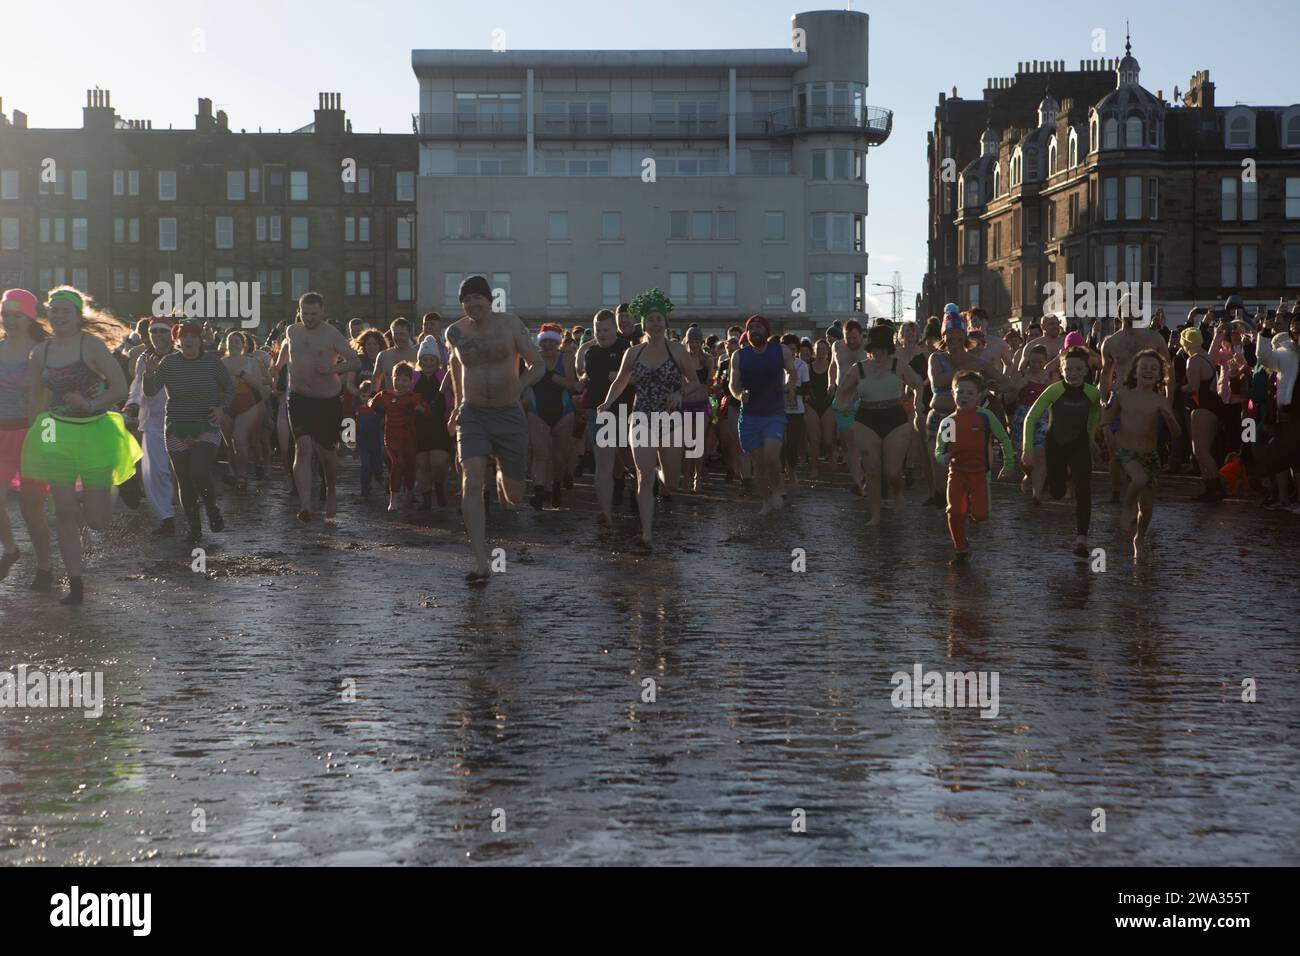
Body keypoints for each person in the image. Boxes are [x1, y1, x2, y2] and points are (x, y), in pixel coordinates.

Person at [20, 286, 141, 605]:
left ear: (77, 316)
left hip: (94, 432)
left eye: (66, 311)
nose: (59, 315)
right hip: (56, 433)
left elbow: (120, 388)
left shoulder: (91, 345)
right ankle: (75, 583)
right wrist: (34, 431)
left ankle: (112, 488)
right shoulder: (40, 352)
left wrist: (90, 403)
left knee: (97, 520)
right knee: (63, 512)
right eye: (54, 310)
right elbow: (36, 396)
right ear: (47, 314)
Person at [445, 275, 545, 581]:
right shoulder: (455, 332)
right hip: (473, 414)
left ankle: (503, 474)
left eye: (477, 297)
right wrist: (457, 406)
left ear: (489, 299)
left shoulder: (510, 324)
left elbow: (538, 364)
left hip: (508, 414)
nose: (472, 304)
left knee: (514, 496)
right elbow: (455, 366)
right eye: (466, 299)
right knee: (472, 480)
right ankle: (480, 561)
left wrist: (521, 385)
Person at [600, 289, 696, 547]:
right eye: (650, 319)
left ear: (665, 323)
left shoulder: (677, 350)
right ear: (643, 324)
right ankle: (646, 534)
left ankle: (660, 474)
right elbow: (620, 382)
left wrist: (679, 392)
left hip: (670, 421)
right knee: (643, 477)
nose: (655, 323)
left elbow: (695, 382)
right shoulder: (633, 353)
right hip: (641, 417)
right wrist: (607, 404)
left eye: (659, 319)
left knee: (672, 483)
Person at [143, 320, 235, 545]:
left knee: (199, 473)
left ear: (200, 340)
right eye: (184, 336)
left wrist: (221, 408)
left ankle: (212, 509)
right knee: (184, 481)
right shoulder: (168, 362)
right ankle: (194, 530)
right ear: (177, 340)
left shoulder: (212, 362)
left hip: (206, 426)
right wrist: (149, 372)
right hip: (176, 427)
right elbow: (151, 391)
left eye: (193, 336)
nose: (188, 340)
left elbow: (230, 387)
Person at [276, 292, 362, 522]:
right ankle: (305, 505)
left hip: (326, 401)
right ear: (299, 311)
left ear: (322, 312)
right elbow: (286, 358)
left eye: (314, 314)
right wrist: (277, 371)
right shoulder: (292, 331)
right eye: (305, 313)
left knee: (327, 454)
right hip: (298, 398)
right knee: (303, 448)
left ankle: (331, 490)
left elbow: (355, 361)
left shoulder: (332, 334)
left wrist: (333, 369)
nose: (309, 318)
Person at [835, 324, 925, 525]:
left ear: (888, 349)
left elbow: (918, 382)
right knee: (872, 470)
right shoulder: (859, 368)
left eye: (883, 349)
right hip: (866, 418)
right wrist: (843, 405)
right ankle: (875, 514)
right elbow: (842, 392)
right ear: (870, 349)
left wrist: (918, 402)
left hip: (895, 417)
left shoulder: (898, 365)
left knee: (892, 471)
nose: (879, 354)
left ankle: (898, 491)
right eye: (875, 349)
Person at [1021, 346, 1102, 558]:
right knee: (1057, 492)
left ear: (1086, 371)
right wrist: (1027, 449)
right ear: (1061, 369)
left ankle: (1081, 538)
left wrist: (1091, 437)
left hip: (1080, 445)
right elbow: (1031, 418)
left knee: (1084, 489)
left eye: (1078, 369)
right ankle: (1061, 479)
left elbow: (1095, 413)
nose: (1073, 373)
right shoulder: (1054, 390)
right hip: (1055, 445)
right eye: (1068, 369)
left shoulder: (1093, 393)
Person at [1104, 349, 1180, 560]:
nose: (1148, 371)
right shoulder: (1123, 395)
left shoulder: (1160, 400)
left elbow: (1176, 433)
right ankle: (1127, 507)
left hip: (1150, 456)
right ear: (1135, 372)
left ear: (1160, 375)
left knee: (1146, 507)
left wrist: (1169, 419)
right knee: (1139, 478)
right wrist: (1106, 433)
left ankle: (1139, 537)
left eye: (1153, 368)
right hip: (1127, 452)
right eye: (1143, 367)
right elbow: (1107, 419)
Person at [0, 289, 53, 587]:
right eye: (5, 315)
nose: (9, 321)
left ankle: (45, 567)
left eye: (16, 316)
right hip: (0, 434)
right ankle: (10, 549)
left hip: (32, 435)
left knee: (31, 509)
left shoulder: (43, 351)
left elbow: (51, 394)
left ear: (30, 318)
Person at [935, 370, 1015, 565]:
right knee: (954, 512)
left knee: (981, 515)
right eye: (960, 392)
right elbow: (939, 449)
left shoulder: (985, 417)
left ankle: (970, 517)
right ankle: (960, 549)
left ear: (980, 395)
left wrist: (1008, 463)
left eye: (970, 393)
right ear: (953, 393)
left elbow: (1004, 439)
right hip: (956, 473)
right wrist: (943, 457)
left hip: (980, 474)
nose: (964, 396)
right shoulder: (949, 422)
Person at [729, 314, 796, 516]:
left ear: (767, 331)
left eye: (759, 327)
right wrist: (739, 395)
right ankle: (766, 501)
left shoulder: (780, 351)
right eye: (751, 328)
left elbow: (792, 372)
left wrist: (789, 386)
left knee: (771, 457)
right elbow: (733, 384)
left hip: (773, 413)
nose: (754, 331)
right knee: (758, 463)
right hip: (749, 416)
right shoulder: (739, 356)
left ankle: (777, 489)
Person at [578, 309, 633, 525]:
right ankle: (606, 512)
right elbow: (612, 377)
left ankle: (638, 491)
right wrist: (624, 376)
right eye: (598, 330)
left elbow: (630, 376)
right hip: (601, 413)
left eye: (606, 330)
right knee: (604, 465)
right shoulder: (592, 353)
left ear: (615, 329)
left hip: (627, 411)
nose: (601, 334)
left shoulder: (627, 348)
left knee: (629, 461)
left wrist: (622, 376)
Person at [125, 316, 178, 535]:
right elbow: (137, 387)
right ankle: (167, 517)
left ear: (171, 335)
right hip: (153, 422)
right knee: (156, 471)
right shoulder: (144, 358)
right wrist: (132, 405)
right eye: (154, 331)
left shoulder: (180, 357)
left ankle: (187, 508)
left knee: (180, 470)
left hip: (180, 420)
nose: (158, 335)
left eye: (162, 331)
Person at [525, 323, 579, 510]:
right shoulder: (533, 358)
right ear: (540, 342)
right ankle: (539, 493)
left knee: (560, 457)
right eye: (544, 341)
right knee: (540, 454)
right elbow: (525, 382)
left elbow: (572, 385)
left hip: (563, 412)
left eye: (551, 341)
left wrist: (550, 376)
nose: (547, 345)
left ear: (558, 343)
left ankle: (556, 486)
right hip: (537, 411)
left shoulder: (566, 359)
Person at [368, 360, 430, 512]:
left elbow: (428, 412)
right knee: (397, 463)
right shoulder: (385, 395)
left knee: (409, 466)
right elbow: (371, 403)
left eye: (404, 380)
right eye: (397, 379)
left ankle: (409, 493)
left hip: (409, 438)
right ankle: (393, 500)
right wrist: (375, 406)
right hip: (391, 438)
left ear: (410, 382)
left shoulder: (414, 397)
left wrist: (419, 409)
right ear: (392, 379)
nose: (400, 383)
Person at [220, 330, 271, 492]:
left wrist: (243, 375)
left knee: (239, 438)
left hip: (247, 403)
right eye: (230, 341)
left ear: (243, 345)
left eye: (237, 342)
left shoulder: (252, 362)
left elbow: (261, 386)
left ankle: (243, 476)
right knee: (229, 444)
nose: (233, 344)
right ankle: (233, 474)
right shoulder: (220, 363)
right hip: (226, 405)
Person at [1181, 325, 1226, 502]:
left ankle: (1215, 488)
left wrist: (1178, 388)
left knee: (1201, 451)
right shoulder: (1206, 357)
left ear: (1186, 343)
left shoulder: (1193, 360)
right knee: (1202, 450)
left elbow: (1193, 386)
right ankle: (1211, 487)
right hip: (1212, 406)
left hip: (1202, 408)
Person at [412, 337, 453, 508]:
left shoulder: (445, 376)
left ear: (437, 361)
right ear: (420, 361)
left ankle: (439, 486)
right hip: (418, 427)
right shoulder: (413, 377)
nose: (428, 363)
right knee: (422, 464)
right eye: (425, 360)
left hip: (440, 426)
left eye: (431, 360)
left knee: (438, 463)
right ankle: (427, 500)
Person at [681, 325, 715, 494]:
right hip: (686, 404)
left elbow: (710, 381)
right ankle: (687, 476)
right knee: (688, 443)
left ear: (701, 343)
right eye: (691, 342)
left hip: (701, 403)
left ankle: (697, 477)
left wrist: (706, 384)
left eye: (697, 342)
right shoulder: (682, 359)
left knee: (698, 442)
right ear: (686, 342)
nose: (694, 345)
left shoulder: (707, 359)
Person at [779, 332, 810, 487]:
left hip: (796, 410)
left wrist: (792, 390)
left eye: (792, 349)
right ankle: (780, 473)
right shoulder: (776, 365)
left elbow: (806, 389)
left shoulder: (802, 365)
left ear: (797, 350)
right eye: (786, 349)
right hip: (778, 409)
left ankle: (791, 471)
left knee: (792, 443)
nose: (790, 352)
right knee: (780, 443)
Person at [354, 378, 384, 499]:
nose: (366, 398)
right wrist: (353, 447)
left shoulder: (379, 410)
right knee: (365, 465)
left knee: (377, 465)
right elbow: (353, 429)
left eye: (369, 396)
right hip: (363, 442)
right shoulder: (357, 411)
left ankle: (379, 480)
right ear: (360, 396)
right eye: (364, 396)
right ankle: (365, 490)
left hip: (377, 442)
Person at [373, 317, 418, 391]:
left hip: (413, 397)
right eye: (396, 334)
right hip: (389, 397)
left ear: (409, 334)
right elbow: (376, 380)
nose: (399, 337)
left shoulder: (418, 355)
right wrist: (372, 396)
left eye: (402, 334)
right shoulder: (383, 356)